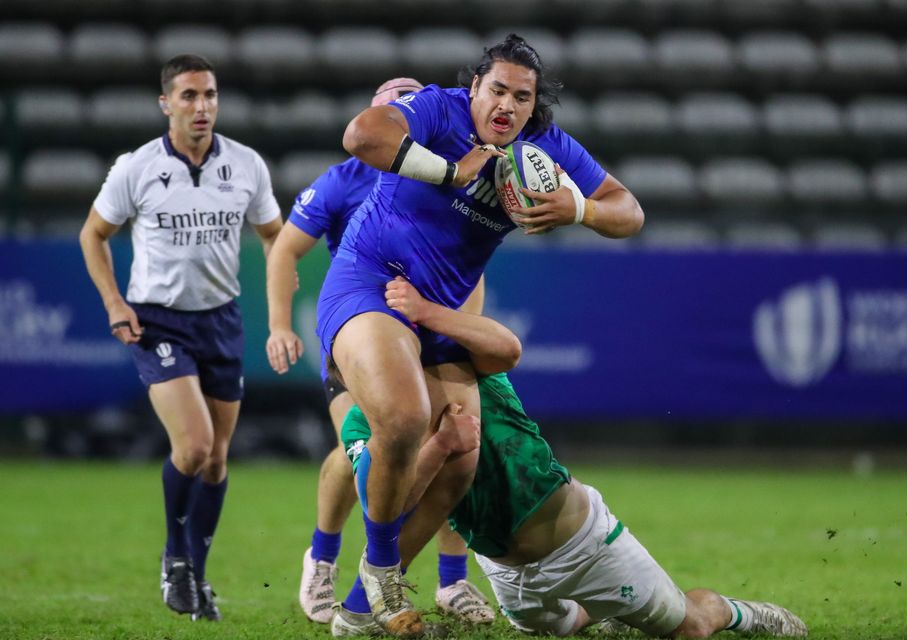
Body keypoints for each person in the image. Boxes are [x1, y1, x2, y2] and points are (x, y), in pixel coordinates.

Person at [319, 33, 643, 635]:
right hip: (369, 284)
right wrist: (448, 170)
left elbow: (629, 210)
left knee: (462, 453)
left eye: (522, 97)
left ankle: (360, 613)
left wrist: (582, 211)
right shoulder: (439, 110)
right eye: (497, 89)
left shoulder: (543, 145)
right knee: (406, 418)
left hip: (438, 309)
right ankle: (383, 574)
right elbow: (361, 135)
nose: (508, 105)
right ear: (475, 88)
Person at [334, 280, 809, 639]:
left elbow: (507, 345)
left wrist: (425, 309)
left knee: (690, 627)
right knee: (563, 626)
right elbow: (389, 508)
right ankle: (617, 611)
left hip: (580, 543)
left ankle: (735, 611)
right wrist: (440, 447)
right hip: (504, 570)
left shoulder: (459, 362)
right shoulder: (362, 426)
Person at [264, 77, 495, 626]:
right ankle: (322, 559)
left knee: (455, 441)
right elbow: (284, 251)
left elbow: (469, 266)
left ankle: (450, 581)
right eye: (392, 109)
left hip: (427, 336)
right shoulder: (344, 181)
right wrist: (278, 325)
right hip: (361, 332)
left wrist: (463, 332)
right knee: (366, 447)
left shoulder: (450, 176)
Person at [78, 54, 282, 621]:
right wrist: (115, 304)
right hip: (159, 322)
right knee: (192, 446)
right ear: (165, 103)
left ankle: (197, 573)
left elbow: (274, 236)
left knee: (216, 460)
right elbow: (93, 235)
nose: (202, 107)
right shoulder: (136, 167)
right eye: (189, 96)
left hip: (221, 320)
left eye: (210, 95)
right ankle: (175, 559)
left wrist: (279, 309)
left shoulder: (245, 165)